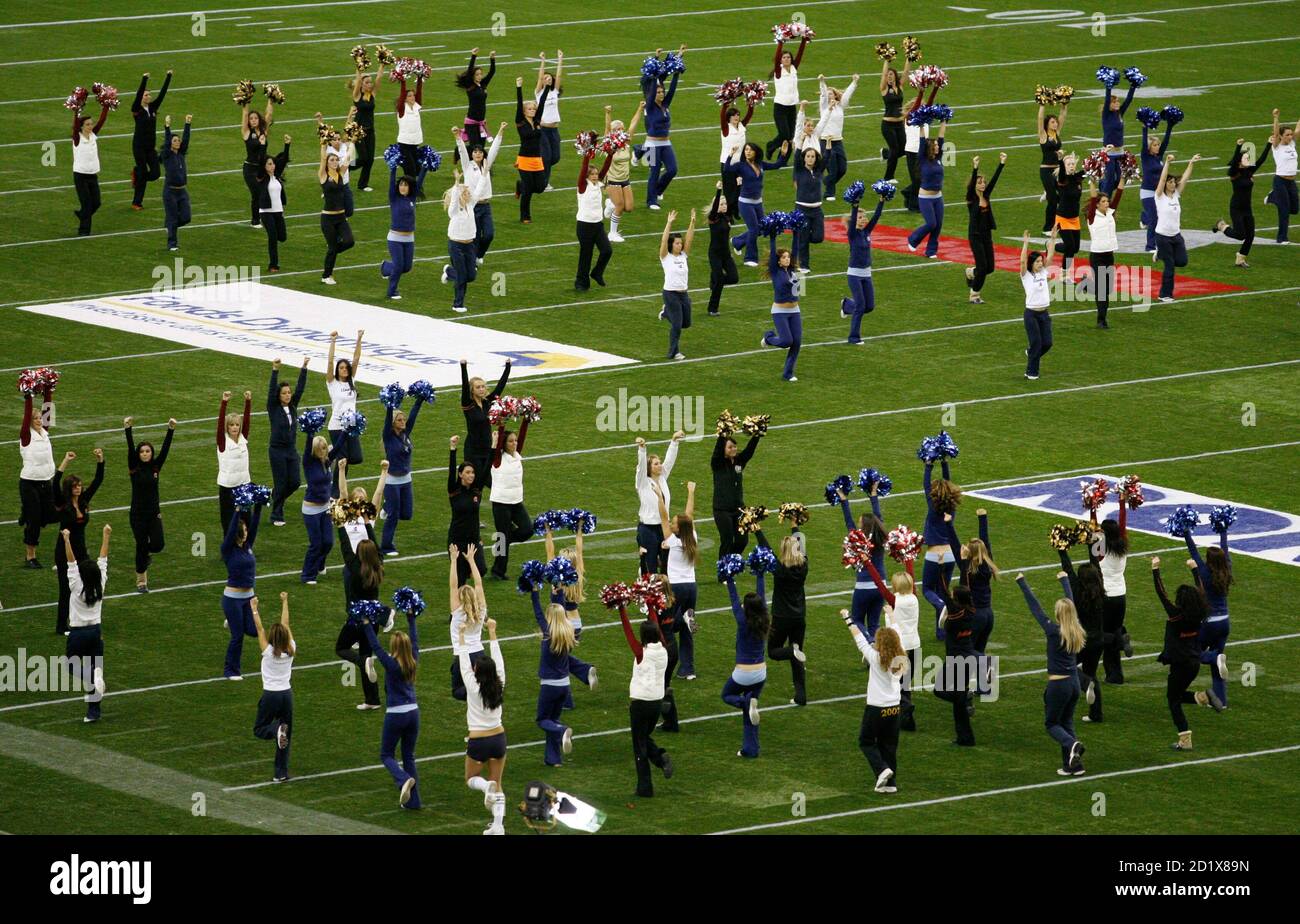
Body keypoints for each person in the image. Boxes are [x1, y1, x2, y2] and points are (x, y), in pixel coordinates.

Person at [1017, 573, 1087, 775]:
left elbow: (1035, 608)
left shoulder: (1053, 631)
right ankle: (1072, 765)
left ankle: (1072, 745)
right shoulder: (1076, 629)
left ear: (1058, 615)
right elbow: (1071, 604)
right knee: (1067, 722)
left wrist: (1022, 583)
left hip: (1059, 684)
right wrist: (1065, 581)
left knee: (1051, 724)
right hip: (1074, 682)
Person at [1151, 556, 1223, 750]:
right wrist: (1194, 569)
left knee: (1173, 701)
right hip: (1194, 662)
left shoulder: (1176, 615)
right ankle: (1203, 697)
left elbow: (1161, 593)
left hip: (1180, 664)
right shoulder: (1199, 614)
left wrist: (1155, 569)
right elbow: (1201, 592)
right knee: (1177, 695)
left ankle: (1185, 738)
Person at [336, 481, 388, 710]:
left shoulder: (354, 568)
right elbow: (375, 546)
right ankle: (373, 700)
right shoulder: (377, 566)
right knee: (368, 653)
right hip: (373, 617)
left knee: (341, 648)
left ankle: (361, 661)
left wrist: (339, 523)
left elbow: (345, 543)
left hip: (357, 618)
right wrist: (367, 525)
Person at [364, 606, 422, 808]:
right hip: (414, 712)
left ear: (395, 647)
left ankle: (402, 779)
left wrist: (366, 625)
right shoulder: (413, 659)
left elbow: (375, 646)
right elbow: (414, 640)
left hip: (396, 714)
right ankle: (414, 802)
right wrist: (411, 617)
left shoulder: (391, 664)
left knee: (386, 755)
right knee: (409, 756)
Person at [844, 616, 906, 793]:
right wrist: (892, 617)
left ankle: (881, 769)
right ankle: (890, 784)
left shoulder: (875, 657)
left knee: (866, 741)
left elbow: (860, 640)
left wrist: (848, 619)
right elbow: (899, 635)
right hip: (894, 707)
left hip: (876, 707)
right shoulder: (901, 657)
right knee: (889, 745)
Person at [617, 601, 673, 797]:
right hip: (656, 702)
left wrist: (621, 609)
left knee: (639, 745)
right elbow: (655, 624)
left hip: (640, 702)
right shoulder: (664, 648)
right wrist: (651, 605)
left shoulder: (642, 653)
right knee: (644, 738)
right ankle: (660, 758)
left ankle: (645, 788)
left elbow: (628, 633)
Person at [52, 450, 108, 634]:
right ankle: (62, 626)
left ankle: (86, 617)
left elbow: (98, 481)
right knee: (65, 589)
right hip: (64, 551)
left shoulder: (83, 501)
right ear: (69, 488)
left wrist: (100, 461)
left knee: (90, 581)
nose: (79, 488)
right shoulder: (62, 502)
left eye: (80, 486)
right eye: (75, 486)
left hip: (81, 551)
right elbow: (55, 483)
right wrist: (65, 461)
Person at [462, 616, 507, 834]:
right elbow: (498, 660)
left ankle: (484, 787)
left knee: (471, 779)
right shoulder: (500, 683)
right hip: (499, 737)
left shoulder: (472, 686)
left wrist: (461, 636)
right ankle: (498, 826)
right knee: (497, 782)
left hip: (478, 740)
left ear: (477, 672)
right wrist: (492, 631)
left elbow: (463, 662)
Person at [863, 560, 920, 732]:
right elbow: (911, 574)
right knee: (906, 685)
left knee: (895, 685)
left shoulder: (894, 601)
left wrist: (867, 563)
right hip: (915, 647)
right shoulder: (914, 597)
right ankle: (908, 721)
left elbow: (879, 584)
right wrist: (908, 557)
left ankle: (904, 710)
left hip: (899, 650)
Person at [62, 524, 110, 722]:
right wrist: (106, 536)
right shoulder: (100, 585)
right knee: (95, 668)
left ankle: (92, 677)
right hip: (95, 632)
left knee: (71, 666)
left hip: (78, 633)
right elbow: (103, 560)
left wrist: (66, 540)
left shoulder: (76, 585)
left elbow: (70, 561)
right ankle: (93, 712)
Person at [528, 581, 578, 766]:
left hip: (549, 686)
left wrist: (534, 592)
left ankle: (562, 730)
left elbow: (538, 612)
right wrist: (558, 594)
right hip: (564, 686)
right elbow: (561, 612)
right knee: (553, 720)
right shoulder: (568, 631)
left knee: (543, 720)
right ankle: (553, 759)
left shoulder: (549, 633)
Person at [721, 566, 770, 758]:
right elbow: (762, 595)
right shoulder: (764, 617)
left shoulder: (742, 620)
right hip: (761, 673)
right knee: (750, 711)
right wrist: (760, 573)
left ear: (747, 608)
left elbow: (734, 598)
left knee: (726, 695)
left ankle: (746, 702)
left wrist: (730, 578)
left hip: (743, 673)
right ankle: (751, 749)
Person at [123, 415, 174, 593]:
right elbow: (129, 448)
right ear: (138, 454)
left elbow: (166, 450)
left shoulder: (155, 467)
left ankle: (147, 554)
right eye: (142, 451)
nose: (145, 454)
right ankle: (141, 581)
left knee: (158, 544)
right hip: (137, 515)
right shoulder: (134, 467)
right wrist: (128, 429)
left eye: (148, 451)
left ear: (151, 453)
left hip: (153, 513)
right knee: (141, 546)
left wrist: (170, 430)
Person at [1185, 523, 1234, 708]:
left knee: (1192, 651)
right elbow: (1225, 549)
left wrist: (1185, 531)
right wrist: (1223, 530)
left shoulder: (1204, 573)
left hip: (1209, 622)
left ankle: (1214, 657)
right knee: (1217, 666)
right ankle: (1221, 701)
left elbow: (1192, 550)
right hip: (1225, 622)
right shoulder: (1226, 569)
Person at [951, 508, 998, 696]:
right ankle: (984, 689)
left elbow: (963, 588)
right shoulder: (986, 563)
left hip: (976, 615)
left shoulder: (969, 570)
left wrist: (962, 562)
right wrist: (982, 518)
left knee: (967, 651)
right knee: (978, 649)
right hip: (989, 615)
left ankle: (983, 667)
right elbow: (985, 542)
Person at [1056, 551, 1105, 723]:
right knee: (1092, 673)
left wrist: (1062, 550)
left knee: (1067, 667)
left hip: (1081, 640)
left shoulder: (1076, 591)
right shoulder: (1100, 589)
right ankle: (1096, 713)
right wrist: (1092, 545)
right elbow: (1097, 568)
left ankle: (1085, 684)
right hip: (1099, 640)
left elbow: (1068, 570)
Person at [220, 496, 265, 680]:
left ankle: (232, 621)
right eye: (243, 531)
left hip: (248, 598)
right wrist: (237, 510)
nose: (246, 533)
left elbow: (254, 525)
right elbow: (231, 532)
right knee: (237, 637)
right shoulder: (228, 550)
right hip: (232, 599)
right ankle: (231, 670)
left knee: (254, 631)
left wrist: (259, 506)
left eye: (246, 530)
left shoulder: (248, 546)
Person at [251, 592, 294, 783]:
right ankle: (280, 773)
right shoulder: (291, 649)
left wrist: (254, 609)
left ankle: (276, 729)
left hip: (271, 695)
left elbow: (259, 629)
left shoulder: (268, 652)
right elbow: (286, 624)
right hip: (287, 695)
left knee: (260, 729)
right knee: (285, 737)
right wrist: (285, 601)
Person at [659, 481, 700, 681]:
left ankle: (682, 620)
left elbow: (663, 518)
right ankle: (688, 669)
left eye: (675, 523)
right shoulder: (691, 536)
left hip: (676, 587)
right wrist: (691, 492)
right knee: (687, 629)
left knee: (666, 624)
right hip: (692, 587)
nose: (672, 524)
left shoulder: (673, 541)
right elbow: (689, 515)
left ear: (678, 527)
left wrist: (659, 497)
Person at [727, 141, 791, 267]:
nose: (748, 152)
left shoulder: (760, 164)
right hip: (745, 203)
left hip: (757, 203)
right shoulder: (741, 166)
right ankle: (750, 258)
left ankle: (737, 241)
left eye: (750, 150)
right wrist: (730, 155)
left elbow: (777, 165)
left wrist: (783, 154)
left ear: (756, 152)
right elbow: (727, 169)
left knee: (763, 228)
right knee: (754, 229)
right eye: (746, 150)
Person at [839, 478, 888, 637]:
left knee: (857, 620)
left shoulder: (858, 539)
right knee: (874, 623)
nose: (858, 525)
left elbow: (848, 523)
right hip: (881, 584)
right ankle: (875, 656)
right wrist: (873, 495)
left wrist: (844, 500)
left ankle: (870, 644)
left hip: (864, 586)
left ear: (864, 526)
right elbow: (878, 518)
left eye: (860, 523)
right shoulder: (880, 538)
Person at [379, 391, 425, 556]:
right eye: (399, 420)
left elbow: (413, 415)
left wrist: (420, 399)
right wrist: (390, 405)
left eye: (403, 419)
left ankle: (386, 506)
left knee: (406, 514)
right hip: (391, 481)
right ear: (393, 423)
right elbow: (387, 419)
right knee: (394, 515)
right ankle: (386, 546)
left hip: (406, 479)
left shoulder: (406, 433)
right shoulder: (388, 436)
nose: (403, 422)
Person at [640, 45, 685, 210]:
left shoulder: (665, 105)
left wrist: (676, 73)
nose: (661, 94)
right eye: (658, 92)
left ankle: (657, 190)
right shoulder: (650, 106)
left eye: (662, 92)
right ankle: (651, 200)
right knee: (654, 171)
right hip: (652, 144)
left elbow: (673, 89)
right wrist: (657, 72)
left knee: (672, 170)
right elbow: (652, 89)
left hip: (665, 143)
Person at [19, 386, 59, 570]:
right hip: (29, 483)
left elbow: (48, 409)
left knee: (50, 516)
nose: (38, 421)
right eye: (34, 419)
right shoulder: (26, 436)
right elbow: (27, 415)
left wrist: (48, 389)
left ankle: (25, 512)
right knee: (34, 520)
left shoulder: (45, 432)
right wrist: (29, 396)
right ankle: (30, 557)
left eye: (39, 418)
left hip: (46, 482)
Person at [1214, 137, 1270, 268]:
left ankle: (1240, 258)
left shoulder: (1249, 171)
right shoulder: (1234, 173)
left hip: (1247, 208)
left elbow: (1261, 160)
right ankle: (1222, 226)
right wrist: (1238, 147)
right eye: (1245, 158)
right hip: (1236, 208)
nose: (1248, 159)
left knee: (1250, 235)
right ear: (1239, 161)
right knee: (1240, 235)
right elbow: (1233, 162)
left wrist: (1269, 144)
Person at [299, 432, 347, 585]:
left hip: (325, 508)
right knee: (316, 544)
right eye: (320, 448)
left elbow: (338, 446)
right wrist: (310, 433)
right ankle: (307, 575)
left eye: (325, 448)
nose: (323, 451)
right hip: (311, 510)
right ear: (314, 450)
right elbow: (307, 447)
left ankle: (320, 563)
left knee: (328, 542)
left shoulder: (326, 462)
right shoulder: (309, 462)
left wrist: (346, 430)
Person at [920, 456, 960, 639]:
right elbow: (948, 482)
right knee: (943, 590)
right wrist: (945, 463)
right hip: (951, 554)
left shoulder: (932, 506)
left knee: (928, 590)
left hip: (934, 554)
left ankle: (941, 606)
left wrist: (928, 465)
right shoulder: (952, 506)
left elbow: (926, 485)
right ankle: (941, 632)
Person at [441, 164, 490, 312]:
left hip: (470, 245)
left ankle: (449, 272)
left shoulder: (471, 205)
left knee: (471, 276)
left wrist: (484, 174)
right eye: (466, 192)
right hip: (455, 244)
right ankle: (457, 304)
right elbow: (455, 199)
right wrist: (457, 184)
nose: (469, 193)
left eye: (468, 191)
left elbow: (480, 189)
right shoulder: (454, 210)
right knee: (462, 276)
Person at [456, 122, 507, 264]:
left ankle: (479, 255)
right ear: (472, 154)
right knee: (476, 236)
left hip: (485, 206)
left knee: (489, 234)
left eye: (480, 152)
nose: (477, 154)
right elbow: (462, 153)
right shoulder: (467, 166)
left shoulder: (486, 164)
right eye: (475, 152)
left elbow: (494, 149)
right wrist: (458, 138)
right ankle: (473, 262)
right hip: (472, 206)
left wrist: (500, 132)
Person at [266, 357, 309, 526]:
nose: (288, 395)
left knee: (295, 482)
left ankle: (276, 494)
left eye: (288, 392)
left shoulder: (292, 406)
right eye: (284, 393)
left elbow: (300, 389)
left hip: (291, 450)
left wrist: (304, 368)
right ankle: (276, 514)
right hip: (277, 450)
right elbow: (270, 390)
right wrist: (275, 370)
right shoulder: (273, 407)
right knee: (281, 482)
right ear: (278, 395)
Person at [769, 533, 809, 706]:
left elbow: (767, 550)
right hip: (799, 617)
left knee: (773, 651)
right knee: (797, 657)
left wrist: (757, 530)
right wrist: (795, 525)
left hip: (781, 617)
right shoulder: (804, 565)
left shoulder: (779, 569)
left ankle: (791, 651)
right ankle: (801, 696)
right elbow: (800, 543)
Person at [1094, 506, 1133, 685]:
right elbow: (1123, 524)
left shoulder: (1101, 551)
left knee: (1101, 634)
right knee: (1113, 630)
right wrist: (1122, 501)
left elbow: (1093, 529)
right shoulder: (1123, 545)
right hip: (1121, 596)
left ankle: (1120, 639)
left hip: (1106, 596)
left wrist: (1093, 507)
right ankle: (1115, 676)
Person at [1154, 153, 1201, 302]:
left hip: (1176, 235)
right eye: (1170, 182)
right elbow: (1162, 179)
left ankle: (1160, 254)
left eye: (1174, 182)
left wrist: (1191, 162)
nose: (1173, 184)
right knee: (1170, 267)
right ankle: (1165, 294)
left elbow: (1185, 178)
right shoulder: (1159, 197)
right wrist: (1167, 163)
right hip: (1162, 236)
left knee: (1182, 261)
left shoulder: (1176, 195)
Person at [489, 422, 532, 580]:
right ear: (503, 444)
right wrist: (501, 422)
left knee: (527, 529)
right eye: (510, 441)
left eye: (515, 441)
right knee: (503, 536)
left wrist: (526, 419)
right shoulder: (498, 459)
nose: (514, 443)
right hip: (500, 503)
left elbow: (522, 436)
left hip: (516, 502)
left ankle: (502, 542)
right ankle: (498, 571)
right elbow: (500, 439)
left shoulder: (517, 455)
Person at [841, 189, 885, 344]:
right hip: (854, 275)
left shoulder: (867, 231)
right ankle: (853, 337)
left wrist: (881, 201)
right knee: (860, 307)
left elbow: (876, 217)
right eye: (860, 217)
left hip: (867, 274)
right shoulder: (852, 234)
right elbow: (853, 221)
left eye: (863, 216)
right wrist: (855, 205)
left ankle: (847, 305)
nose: (863, 219)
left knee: (869, 306)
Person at [635, 433, 683, 575]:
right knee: (650, 563)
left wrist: (674, 441)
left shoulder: (662, 479)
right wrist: (642, 450)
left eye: (659, 462)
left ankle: (665, 591)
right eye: (656, 464)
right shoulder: (643, 483)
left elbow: (669, 461)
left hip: (664, 527)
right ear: (649, 468)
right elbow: (641, 468)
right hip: (648, 529)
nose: (660, 465)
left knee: (666, 561)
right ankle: (647, 589)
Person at [460, 357, 511, 489]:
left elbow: (500, 388)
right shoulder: (468, 405)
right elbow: (465, 386)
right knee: (476, 484)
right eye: (478, 387)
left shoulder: (487, 402)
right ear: (472, 390)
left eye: (483, 387)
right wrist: (463, 367)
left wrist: (508, 368)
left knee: (492, 482)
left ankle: (502, 505)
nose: (482, 389)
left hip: (487, 448)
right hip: (473, 450)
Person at [712, 429, 760, 560]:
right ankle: (723, 572)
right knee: (727, 540)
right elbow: (717, 450)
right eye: (729, 447)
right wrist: (723, 434)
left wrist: (757, 435)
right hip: (722, 510)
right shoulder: (718, 463)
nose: (733, 449)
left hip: (739, 509)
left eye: (734, 446)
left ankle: (731, 563)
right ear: (723, 449)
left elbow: (749, 451)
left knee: (742, 541)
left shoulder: (739, 461)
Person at [965, 153, 1007, 304]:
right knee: (982, 268)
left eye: (984, 182)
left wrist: (1001, 164)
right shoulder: (971, 198)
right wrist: (975, 167)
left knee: (990, 268)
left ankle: (971, 272)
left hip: (986, 235)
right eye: (979, 182)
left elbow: (995, 180)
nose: (983, 184)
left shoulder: (986, 196)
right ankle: (974, 294)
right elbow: (971, 186)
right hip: (975, 236)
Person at [760, 236, 803, 382]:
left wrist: (797, 231)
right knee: (786, 341)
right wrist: (772, 236)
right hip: (780, 311)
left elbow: (799, 291)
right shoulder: (776, 271)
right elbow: (773, 253)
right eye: (784, 257)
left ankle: (788, 373)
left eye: (788, 257)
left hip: (795, 311)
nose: (787, 259)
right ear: (778, 261)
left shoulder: (794, 271)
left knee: (796, 343)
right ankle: (769, 338)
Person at [325, 330, 364, 487]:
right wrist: (333, 341)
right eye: (341, 367)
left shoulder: (351, 382)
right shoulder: (332, 383)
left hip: (351, 426)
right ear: (337, 370)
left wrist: (359, 339)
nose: (344, 369)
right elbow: (329, 362)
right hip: (336, 426)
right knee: (343, 461)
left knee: (356, 457)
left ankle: (330, 455)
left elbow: (356, 359)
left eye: (345, 367)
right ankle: (337, 492)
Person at [450, 544, 489, 700]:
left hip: (462, 655)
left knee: (457, 691)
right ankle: (480, 691)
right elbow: (478, 584)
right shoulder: (481, 609)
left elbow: (453, 585)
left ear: (460, 599)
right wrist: (471, 561)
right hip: (480, 653)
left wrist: (454, 560)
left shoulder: (457, 612)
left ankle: (476, 694)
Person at [1084, 176, 1125, 327]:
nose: (1107, 203)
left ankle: (1086, 285)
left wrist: (1124, 178)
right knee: (1102, 291)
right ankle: (1102, 320)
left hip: (1109, 255)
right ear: (1097, 205)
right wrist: (1093, 182)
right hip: (1097, 256)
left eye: (1107, 201)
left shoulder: (1110, 213)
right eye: (1103, 202)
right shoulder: (1092, 217)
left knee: (1107, 289)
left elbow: (1119, 194)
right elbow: (1093, 197)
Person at [906, 119, 949, 258]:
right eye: (935, 145)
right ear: (929, 147)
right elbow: (923, 140)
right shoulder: (923, 158)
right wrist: (921, 126)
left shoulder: (939, 157)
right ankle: (913, 239)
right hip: (925, 197)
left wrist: (944, 121)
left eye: (937, 145)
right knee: (931, 223)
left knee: (938, 226)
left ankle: (931, 251)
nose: (937, 146)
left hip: (938, 197)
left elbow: (942, 137)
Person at [380, 163, 423, 300]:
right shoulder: (394, 198)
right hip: (395, 238)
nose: (402, 187)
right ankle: (391, 291)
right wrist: (393, 168)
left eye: (405, 185)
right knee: (399, 266)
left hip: (409, 239)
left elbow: (419, 182)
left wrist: (425, 168)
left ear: (410, 187)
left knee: (406, 267)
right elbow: (391, 182)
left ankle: (386, 267)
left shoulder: (411, 199)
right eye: (401, 185)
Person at [1020, 228, 1059, 381]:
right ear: (1032, 263)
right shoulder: (1026, 276)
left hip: (1044, 313)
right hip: (1031, 314)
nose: (1040, 263)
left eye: (1041, 262)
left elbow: (1051, 255)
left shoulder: (1043, 272)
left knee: (1047, 343)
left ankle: (1031, 354)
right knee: (1036, 343)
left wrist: (1054, 239)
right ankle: (1031, 373)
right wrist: (1025, 243)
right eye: (1037, 262)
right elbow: (1022, 261)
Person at [129, 70, 172, 210]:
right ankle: (137, 202)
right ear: (141, 97)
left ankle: (137, 174)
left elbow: (163, 94)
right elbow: (138, 93)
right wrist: (144, 79)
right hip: (139, 147)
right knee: (142, 172)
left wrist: (168, 77)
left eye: (149, 94)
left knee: (155, 174)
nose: (148, 96)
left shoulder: (153, 108)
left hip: (150, 148)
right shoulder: (136, 109)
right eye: (146, 95)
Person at [603, 102, 645, 243]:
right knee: (620, 206)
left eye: (622, 128)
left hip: (625, 179)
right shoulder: (609, 144)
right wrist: (608, 113)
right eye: (617, 129)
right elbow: (607, 129)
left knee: (629, 207)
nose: (621, 131)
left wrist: (640, 108)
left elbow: (634, 123)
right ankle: (612, 233)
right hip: (612, 179)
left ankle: (610, 204)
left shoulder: (626, 142)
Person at [448, 436, 486, 585]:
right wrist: (453, 449)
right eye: (468, 472)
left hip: (474, 539)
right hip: (457, 539)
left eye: (473, 473)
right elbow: (451, 471)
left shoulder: (476, 491)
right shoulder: (454, 491)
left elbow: (487, 465)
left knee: (481, 569)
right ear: (461, 474)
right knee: (460, 580)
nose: (471, 475)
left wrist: (494, 445)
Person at [574, 148, 614, 291]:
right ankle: (581, 283)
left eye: (596, 174)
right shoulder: (583, 186)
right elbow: (583, 168)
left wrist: (610, 154)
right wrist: (586, 156)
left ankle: (597, 273)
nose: (596, 176)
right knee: (586, 254)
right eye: (592, 174)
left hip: (597, 225)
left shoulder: (598, 184)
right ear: (587, 176)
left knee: (607, 250)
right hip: (584, 225)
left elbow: (605, 168)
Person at [658, 209, 695, 358]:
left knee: (686, 323)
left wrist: (692, 222)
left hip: (683, 294)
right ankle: (674, 352)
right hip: (671, 294)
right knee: (677, 325)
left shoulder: (683, 255)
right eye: (677, 243)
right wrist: (669, 223)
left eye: (681, 243)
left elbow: (690, 239)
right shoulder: (665, 257)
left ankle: (666, 312)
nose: (680, 245)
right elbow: (663, 240)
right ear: (672, 245)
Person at [72, 96, 111, 236]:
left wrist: (106, 105)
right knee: (87, 203)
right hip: (80, 176)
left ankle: (82, 215)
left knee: (97, 203)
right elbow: (75, 123)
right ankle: (83, 231)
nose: (91, 126)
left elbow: (102, 120)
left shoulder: (93, 135)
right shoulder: (77, 138)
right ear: (81, 126)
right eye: (88, 124)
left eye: (91, 124)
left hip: (93, 175)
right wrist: (76, 110)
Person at [766, 34, 809, 158]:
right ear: (780, 60)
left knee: (791, 135)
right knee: (784, 133)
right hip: (780, 107)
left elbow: (800, 53)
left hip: (792, 106)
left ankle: (782, 158)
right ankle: (771, 146)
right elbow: (778, 53)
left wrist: (804, 40)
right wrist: (780, 42)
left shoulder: (794, 68)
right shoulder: (778, 71)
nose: (786, 59)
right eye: (784, 57)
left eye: (788, 57)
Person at [215, 390, 252, 533]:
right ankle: (229, 548)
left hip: (244, 484)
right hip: (228, 486)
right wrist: (224, 402)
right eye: (231, 425)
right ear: (227, 427)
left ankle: (245, 546)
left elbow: (247, 422)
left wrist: (248, 402)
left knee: (247, 518)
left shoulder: (243, 439)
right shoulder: (222, 441)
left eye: (237, 424)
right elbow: (219, 424)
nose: (235, 427)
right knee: (228, 520)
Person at [514, 76, 550, 223]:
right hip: (524, 160)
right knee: (528, 192)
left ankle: (520, 185)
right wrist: (519, 87)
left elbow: (542, 103)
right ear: (524, 111)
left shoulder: (536, 120)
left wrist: (547, 86)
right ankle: (525, 216)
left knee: (541, 187)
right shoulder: (520, 122)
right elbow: (518, 104)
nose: (533, 110)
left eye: (533, 109)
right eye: (529, 109)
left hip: (537, 159)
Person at [1137, 110, 1173, 254]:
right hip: (1147, 192)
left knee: (1157, 215)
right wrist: (1145, 126)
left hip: (1158, 192)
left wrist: (1170, 126)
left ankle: (1143, 217)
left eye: (1158, 145)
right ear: (1149, 147)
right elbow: (1143, 138)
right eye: (1155, 145)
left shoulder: (1159, 157)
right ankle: (1150, 246)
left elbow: (1166, 141)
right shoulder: (1145, 156)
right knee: (1155, 219)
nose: (1158, 147)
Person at [818, 73, 858, 199]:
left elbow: (846, 95)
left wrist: (854, 82)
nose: (829, 95)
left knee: (842, 169)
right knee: (833, 168)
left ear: (835, 95)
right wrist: (822, 82)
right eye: (828, 94)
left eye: (831, 93)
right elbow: (823, 95)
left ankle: (823, 181)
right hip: (826, 141)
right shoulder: (824, 107)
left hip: (838, 141)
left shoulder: (840, 106)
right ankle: (830, 193)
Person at [318, 146, 355, 284]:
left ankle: (332, 250)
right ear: (327, 163)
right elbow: (322, 158)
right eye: (331, 160)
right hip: (328, 218)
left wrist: (353, 140)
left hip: (341, 217)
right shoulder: (323, 175)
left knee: (349, 241)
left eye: (336, 160)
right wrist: (323, 144)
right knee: (332, 248)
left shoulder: (340, 173)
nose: (334, 162)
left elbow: (349, 157)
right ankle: (326, 276)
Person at [255, 135, 292, 271]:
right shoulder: (261, 177)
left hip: (278, 211)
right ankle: (273, 264)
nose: (272, 166)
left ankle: (274, 257)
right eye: (269, 164)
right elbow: (260, 161)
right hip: (266, 212)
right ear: (264, 166)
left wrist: (287, 145)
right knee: (273, 237)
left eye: (273, 163)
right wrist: (263, 145)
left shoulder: (276, 176)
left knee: (282, 237)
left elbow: (284, 161)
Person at [350, 56, 384, 192]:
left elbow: (379, 78)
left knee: (370, 159)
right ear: (362, 85)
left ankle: (362, 184)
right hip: (358, 131)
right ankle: (344, 168)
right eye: (367, 82)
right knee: (363, 158)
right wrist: (359, 68)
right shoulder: (357, 96)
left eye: (370, 82)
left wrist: (383, 63)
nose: (370, 84)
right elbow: (358, 80)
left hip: (370, 130)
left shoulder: (372, 95)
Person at [240, 96, 275, 227]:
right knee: (256, 193)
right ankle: (255, 220)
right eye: (251, 119)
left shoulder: (264, 130)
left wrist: (271, 99)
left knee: (266, 191)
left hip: (262, 168)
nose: (253, 120)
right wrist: (245, 101)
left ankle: (265, 216)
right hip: (250, 169)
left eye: (255, 118)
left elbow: (269, 114)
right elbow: (244, 114)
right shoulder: (246, 132)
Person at [159, 114, 192, 252]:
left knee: (186, 217)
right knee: (172, 217)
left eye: (178, 140)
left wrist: (187, 124)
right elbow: (167, 143)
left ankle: (170, 226)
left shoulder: (181, 154)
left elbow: (186, 140)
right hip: (170, 192)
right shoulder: (167, 155)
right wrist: (167, 128)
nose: (178, 142)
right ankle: (172, 243)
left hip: (182, 191)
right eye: (175, 140)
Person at [1100, 76, 1137, 195]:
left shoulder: (1119, 113)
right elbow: (1106, 99)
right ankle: (1105, 202)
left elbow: (1129, 100)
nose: (1117, 103)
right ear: (1109, 104)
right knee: (1110, 178)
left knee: (1120, 179)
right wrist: (1108, 86)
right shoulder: (1106, 115)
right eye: (1114, 102)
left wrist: (1133, 85)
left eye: (1117, 101)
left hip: (1120, 152)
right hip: (1109, 152)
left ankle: (1102, 188)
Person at [706, 181, 739, 315]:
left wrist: (738, 186)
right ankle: (712, 309)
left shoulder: (727, 216)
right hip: (715, 254)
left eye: (725, 204)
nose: (724, 206)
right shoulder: (713, 217)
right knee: (720, 280)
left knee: (733, 278)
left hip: (726, 254)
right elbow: (714, 208)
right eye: (721, 204)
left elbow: (734, 200)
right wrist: (718, 191)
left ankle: (714, 280)